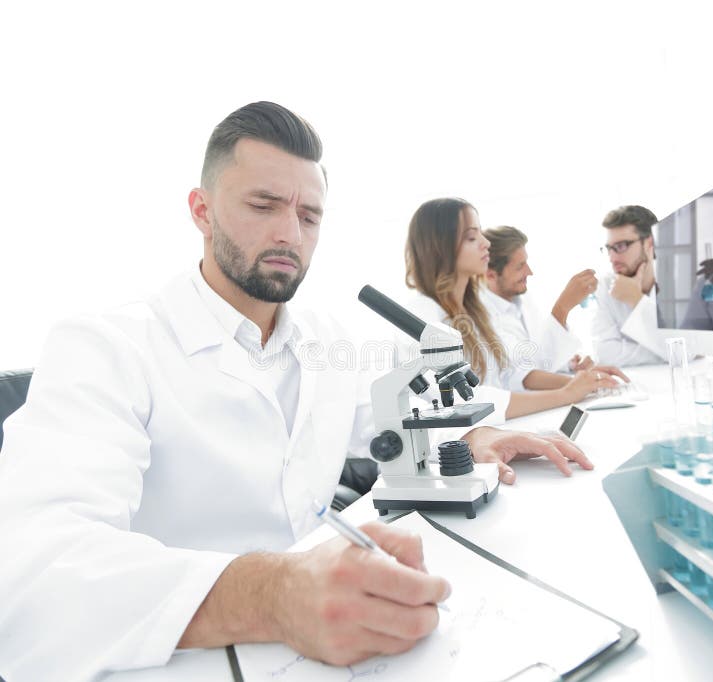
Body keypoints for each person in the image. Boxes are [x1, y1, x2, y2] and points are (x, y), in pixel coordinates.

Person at [0, 102, 596, 681]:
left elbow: (387, 413)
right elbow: (31, 570)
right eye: (264, 205)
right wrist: (274, 595)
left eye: (309, 216)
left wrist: (480, 433)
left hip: (327, 644)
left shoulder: (323, 340)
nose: (290, 233)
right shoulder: (104, 348)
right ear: (201, 210)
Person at [402, 198, 620, 418]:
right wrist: (566, 394)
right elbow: (459, 404)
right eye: (471, 237)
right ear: (441, 249)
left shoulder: (472, 312)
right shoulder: (424, 317)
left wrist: (581, 383)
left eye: (481, 233)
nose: (485, 243)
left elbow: (511, 375)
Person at [482, 225, 627, 379]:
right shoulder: (482, 316)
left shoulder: (521, 298)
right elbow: (522, 376)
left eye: (526, 263)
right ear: (490, 275)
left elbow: (538, 355)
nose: (530, 272)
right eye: (520, 267)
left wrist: (569, 364)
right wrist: (562, 308)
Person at [592, 205, 667, 366]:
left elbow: (690, 348)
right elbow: (605, 353)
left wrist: (636, 300)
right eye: (609, 248)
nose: (612, 258)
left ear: (649, 244)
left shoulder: (676, 279)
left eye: (621, 246)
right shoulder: (606, 285)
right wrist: (664, 353)